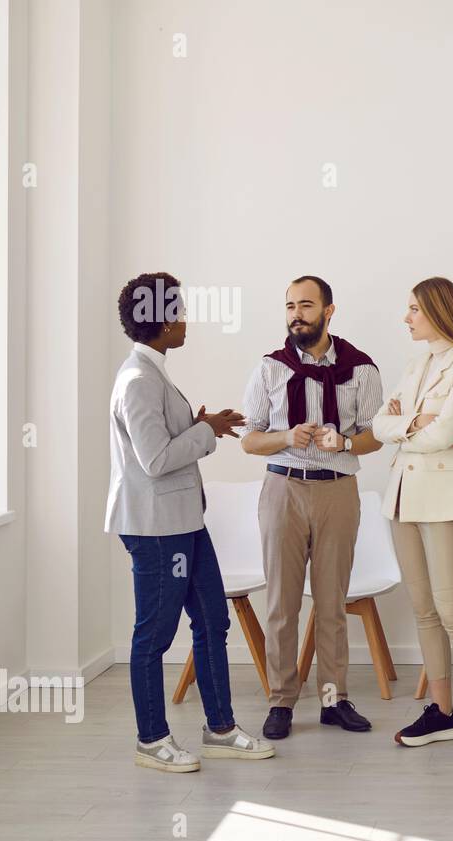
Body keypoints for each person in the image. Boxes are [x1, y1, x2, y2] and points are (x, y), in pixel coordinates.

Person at [106, 271, 275, 771]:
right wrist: (204, 429)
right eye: (177, 311)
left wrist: (203, 425)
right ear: (157, 321)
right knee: (153, 635)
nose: (185, 320)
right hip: (157, 528)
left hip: (184, 522)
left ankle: (219, 728)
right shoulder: (137, 380)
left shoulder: (153, 371)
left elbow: (160, 443)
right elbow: (155, 460)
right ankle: (152, 739)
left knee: (213, 620)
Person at [240, 275, 384, 739]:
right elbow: (248, 439)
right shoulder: (269, 369)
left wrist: (343, 441)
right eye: (289, 306)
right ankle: (281, 701)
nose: (295, 315)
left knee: (331, 603)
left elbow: (377, 435)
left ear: (329, 311)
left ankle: (333, 699)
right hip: (283, 489)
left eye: (305, 305)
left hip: (338, 490)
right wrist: (285, 437)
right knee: (282, 602)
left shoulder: (361, 369)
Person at [371, 277, 453, 768]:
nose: (406, 318)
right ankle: (443, 714)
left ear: (437, 310)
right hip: (404, 498)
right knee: (424, 610)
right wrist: (414, 423)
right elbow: (376, 424)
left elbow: (448, 429)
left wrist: (409, 424)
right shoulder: (418, 363)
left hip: (444, 498)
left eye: (413, 310)